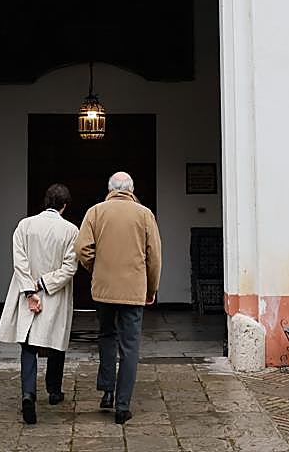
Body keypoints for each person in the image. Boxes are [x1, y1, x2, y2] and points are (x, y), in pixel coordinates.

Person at [75, 171, 162, 425]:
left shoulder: (95, 212)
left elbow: (82, 248)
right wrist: (151, 287)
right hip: (133, 291)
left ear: (110, 188)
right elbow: (154, 255)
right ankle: (122, 405)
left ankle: (107, 390)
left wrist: (97, 268)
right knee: (130, 346)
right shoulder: (144, 214)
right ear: (131, 189)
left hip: (103, 289)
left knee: (106, 336)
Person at [0, 183, 80, 425]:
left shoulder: (25, 225)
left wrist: (30, 290)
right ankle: (54, 391)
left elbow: (19, 262)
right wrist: (44, 283)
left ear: (46, 202)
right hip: (54, 293)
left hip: (27, 291)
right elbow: (69, 268)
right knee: (56, 341)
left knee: (28, 344)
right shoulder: (71, 230)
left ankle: (28, 394)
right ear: (64, 206)